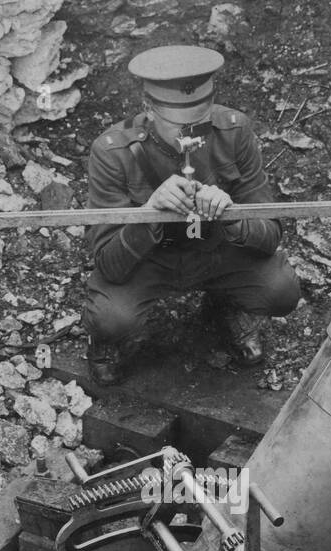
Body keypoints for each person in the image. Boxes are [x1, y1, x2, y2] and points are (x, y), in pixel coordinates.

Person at [81, 44, 301, 385]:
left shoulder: (234, 130)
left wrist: (231, 214)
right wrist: (150, 214)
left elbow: (270, 233)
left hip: (217, 253)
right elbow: (108, 262)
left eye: (199, 125)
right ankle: (107, 343)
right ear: (148, 108)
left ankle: (223, 307)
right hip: (151, 262)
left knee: (281, 291)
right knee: (111, 318)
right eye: (179, 127)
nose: (190, 138)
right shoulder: (112, 152)